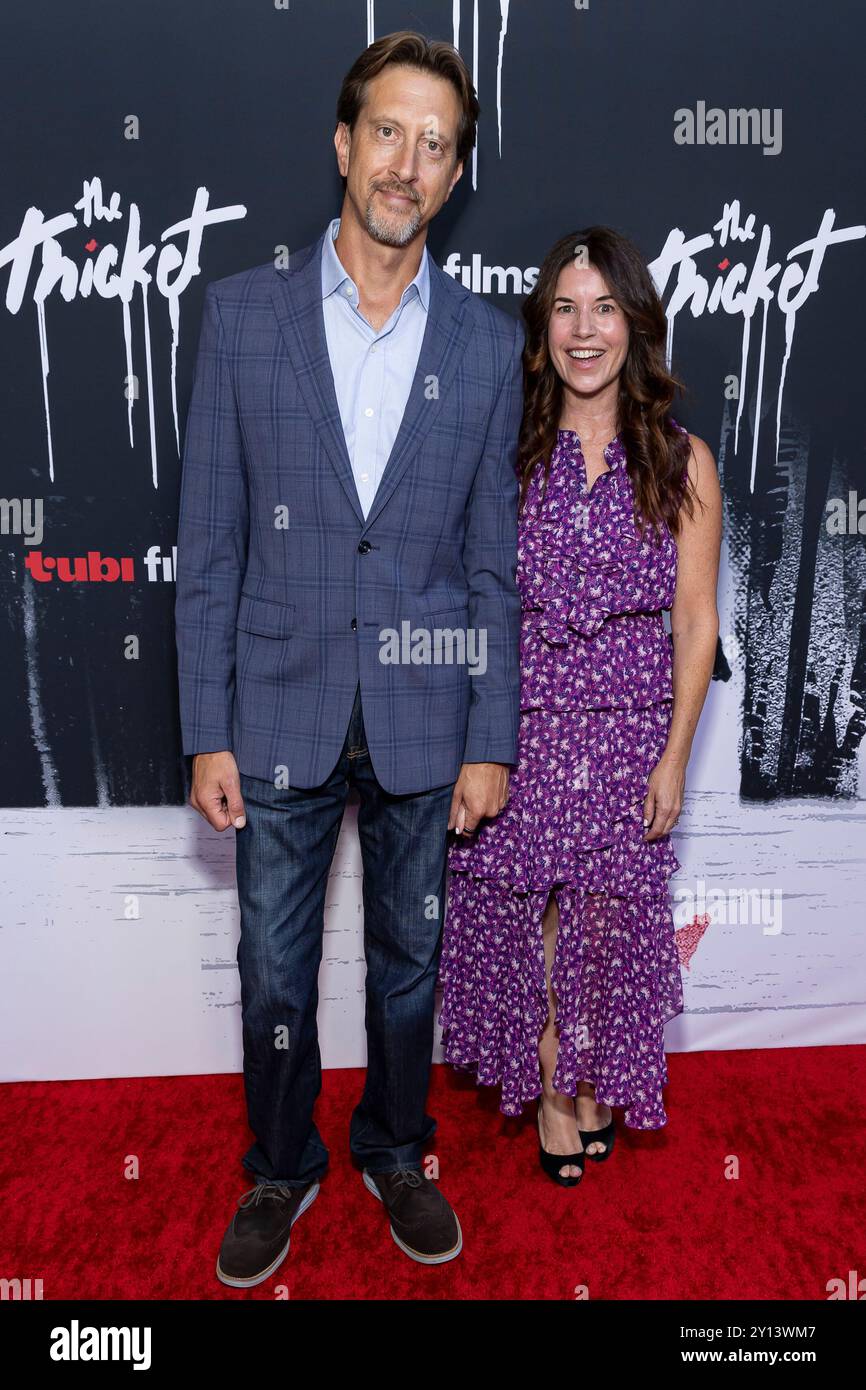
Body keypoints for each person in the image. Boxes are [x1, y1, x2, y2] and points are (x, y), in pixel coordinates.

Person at [174, 31, 524, 1283]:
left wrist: (490, 736)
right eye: (388, 130)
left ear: (453, 175)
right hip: (278, 706)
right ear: (341, 142)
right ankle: (281, 1165)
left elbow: (490, 563)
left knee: (407, 964)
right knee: (273, 968)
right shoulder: (242, 316)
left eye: (435, 145)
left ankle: (394, 1147)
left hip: (427, 712)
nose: (405, 163)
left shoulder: (488, 345)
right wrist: (205, 726)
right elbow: (209, 541)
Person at [439, 226, 722, 1185]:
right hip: (522, 725)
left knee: (607, 918)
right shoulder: (507, 454)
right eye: (565, 309)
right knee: (538, 916)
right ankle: (558, 1089)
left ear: (634, 323)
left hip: (631, 729)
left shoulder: (682, 461)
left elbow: (696, 620)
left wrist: (675, 756)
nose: (585, 330)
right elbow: (470, 599)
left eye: (604, 308)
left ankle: (588, 1069)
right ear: (543, 329)